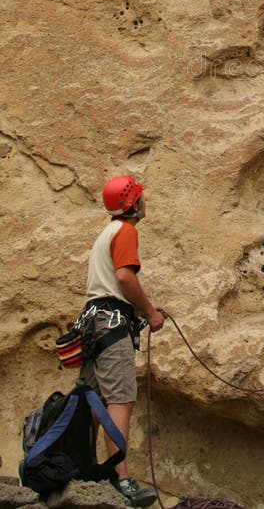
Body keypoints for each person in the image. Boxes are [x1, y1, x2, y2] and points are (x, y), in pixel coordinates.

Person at [80, 175, 166, 508]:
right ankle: (121, 480)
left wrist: (145, 308)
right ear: (133, 203)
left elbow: (110, 286)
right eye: (141, 197)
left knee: (94, 399)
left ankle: (87, 470)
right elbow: (124, 277)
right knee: (120, 398)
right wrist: (149, 312)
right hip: (112, 325)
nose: (145, 202)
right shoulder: (127, 231)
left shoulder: (106, 234)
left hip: (93, 323)